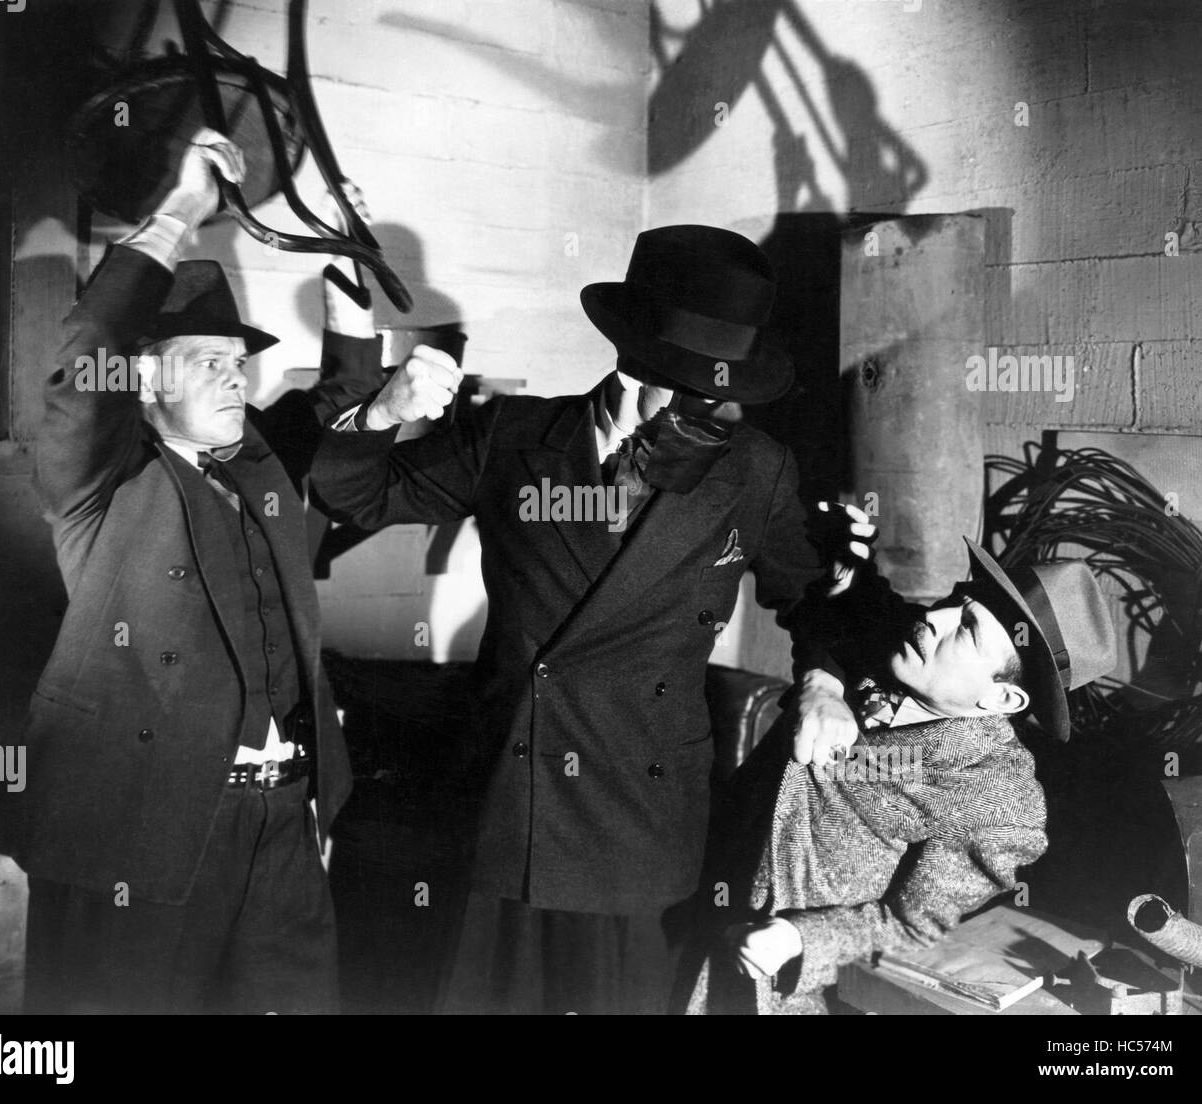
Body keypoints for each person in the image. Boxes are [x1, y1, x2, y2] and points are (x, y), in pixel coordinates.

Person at [310, 225, 870, 1014]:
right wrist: (380, 414)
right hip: (509, 799)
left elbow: (814, 594)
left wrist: (822, 681)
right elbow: (355, 495)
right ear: (640, 360)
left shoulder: (755, 470)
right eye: (699, 387)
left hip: (639, 824)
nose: (718, 412)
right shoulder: (513, 436)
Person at [18, 130, 369, 1013]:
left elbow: (340, 404)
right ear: (141, 380)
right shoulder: (101, 485)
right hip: (150, 830)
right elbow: (87, 344)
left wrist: (347, 256)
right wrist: (182, 206)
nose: (236, 381)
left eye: (238, 364)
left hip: (284, 823)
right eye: (207, 363)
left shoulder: (261, 474)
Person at [683, 538, 1118, 1014]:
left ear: (1004, 700)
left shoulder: (996, 794)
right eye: (956, 602)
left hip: (777, 991)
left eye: (967, 630)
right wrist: (821, 679)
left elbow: (913, 926)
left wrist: (797, 937)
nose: (935, 618)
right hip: (688, 912)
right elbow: (826, 605)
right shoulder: (896, 641)